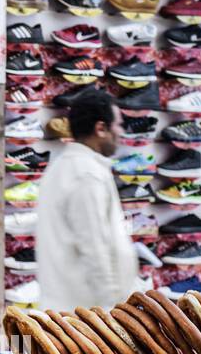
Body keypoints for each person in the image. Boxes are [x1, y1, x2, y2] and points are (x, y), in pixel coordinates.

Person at [35, 88, 138, 311]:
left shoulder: (65, 166)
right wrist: (113, 311)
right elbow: (95, 248)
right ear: (101, 128)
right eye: (118, 125)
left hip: (71, 311)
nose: (121, 132)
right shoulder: (86, 175)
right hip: (86, 316)